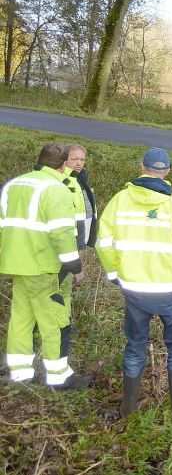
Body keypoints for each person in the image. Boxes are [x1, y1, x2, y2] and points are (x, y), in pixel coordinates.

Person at [96, 147, 172, 418]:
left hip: (135, 290)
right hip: (171, 291)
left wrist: (115, 276)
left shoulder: (120, 200)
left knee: (134, 345)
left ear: (142, 167)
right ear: (167, 171)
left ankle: (128, 409)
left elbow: (104, 244)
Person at [1, 142, 91, 390]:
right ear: (63, 165)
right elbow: (62, 233)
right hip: (44, 266)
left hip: (16, 264)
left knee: (21, 318)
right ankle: (58, 376)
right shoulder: (56, 189)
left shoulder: (14, 184)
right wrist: (75, 266)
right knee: (53, 320)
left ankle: (20, 374)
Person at [64, 144, 98, 248]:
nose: (79, 163)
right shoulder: (62, 180)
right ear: (64, 160)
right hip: (68, 238)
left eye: (82, 159)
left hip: (81, 236)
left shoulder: (81, 179)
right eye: (74, 159)